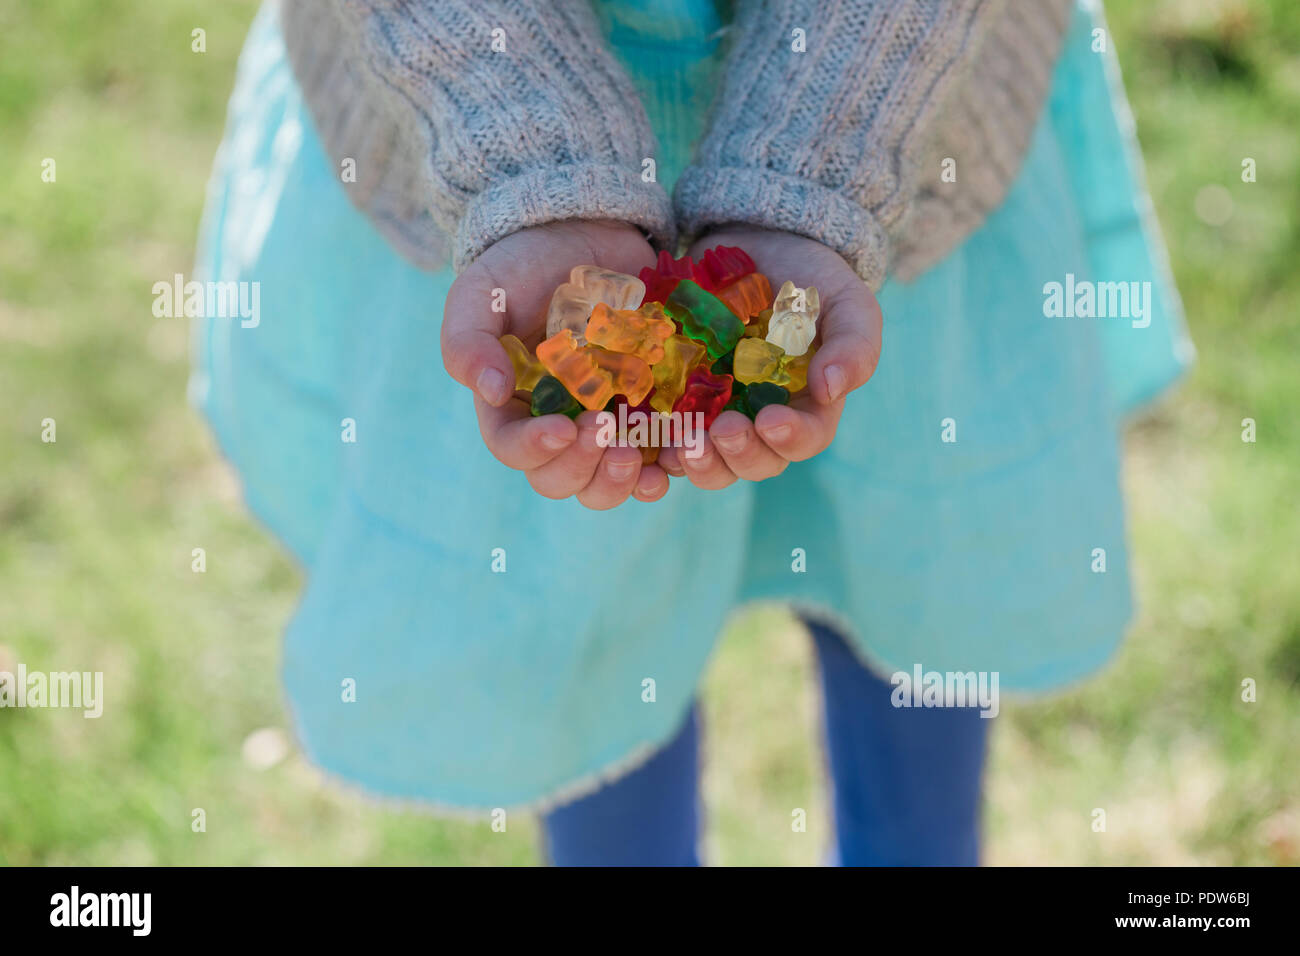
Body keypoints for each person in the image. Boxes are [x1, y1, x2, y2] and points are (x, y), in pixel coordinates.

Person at [192, 0, 1191, 864]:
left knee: (908, 579)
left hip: (916, 106)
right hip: (451, 120)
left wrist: (819, 159)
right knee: (580, 618)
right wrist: (526, 160)